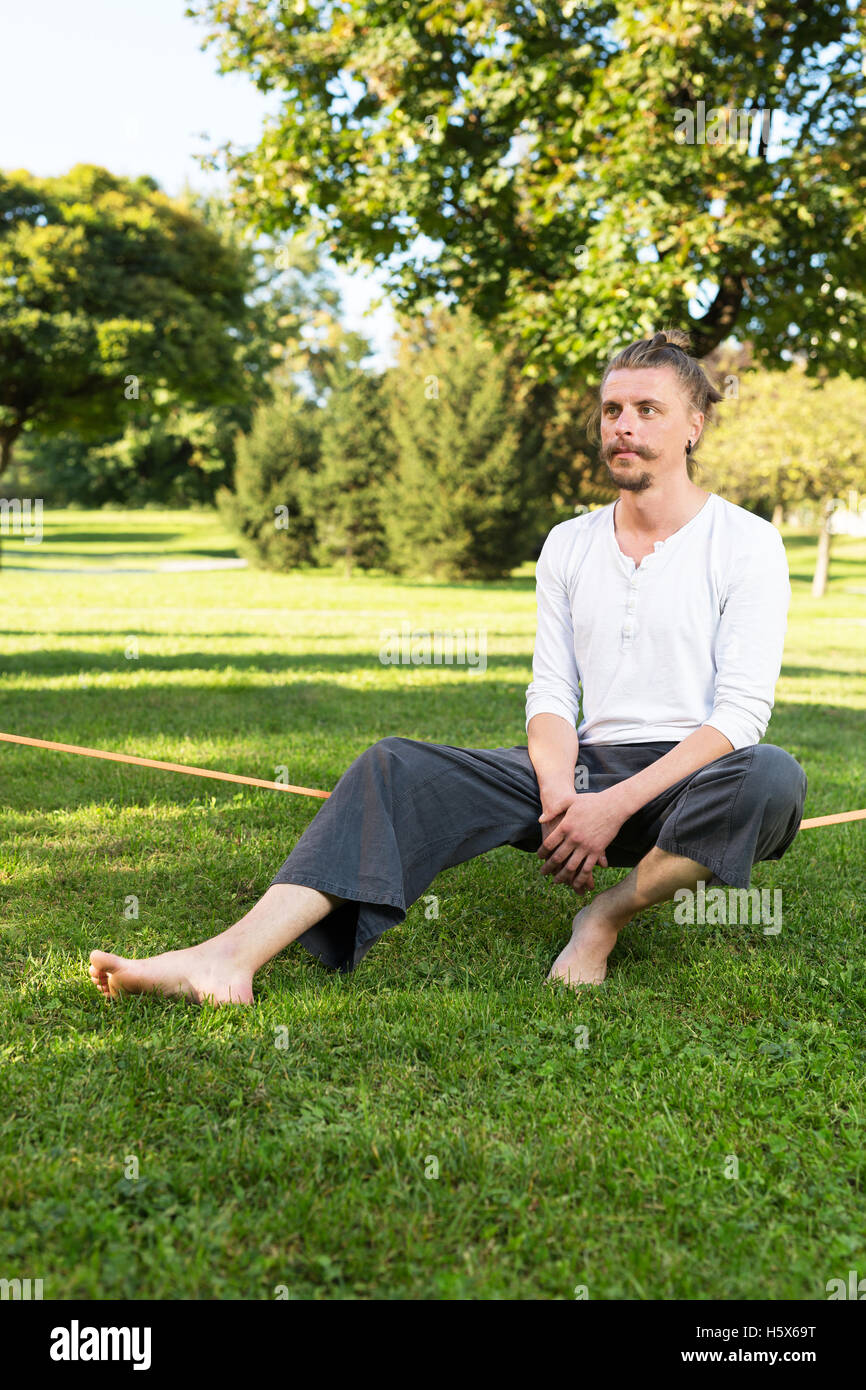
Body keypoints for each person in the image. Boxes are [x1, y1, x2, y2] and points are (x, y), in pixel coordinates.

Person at [89, 328, 807, 1005]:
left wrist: (609, 809)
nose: (622, 425)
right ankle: (228, 957)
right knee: (393, 765)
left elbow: (739, 714)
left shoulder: (746, 543)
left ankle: (604, 918)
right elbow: (552, 688)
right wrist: (564, 794)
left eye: (647, 409)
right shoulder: (569, 543)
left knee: (772, 774)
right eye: (612, 409)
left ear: (694, 426)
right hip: (582, 770)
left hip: (691, 781)